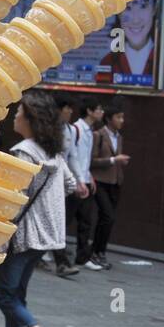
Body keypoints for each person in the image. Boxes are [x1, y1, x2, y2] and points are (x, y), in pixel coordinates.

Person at [0, 92, 74, 327]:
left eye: (19, 112)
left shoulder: (24, 151)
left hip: (25, 233)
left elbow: (14, 198)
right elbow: (70, 184)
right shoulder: (52, 151)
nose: (14, 115)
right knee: (17, 290)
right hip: (48, 234)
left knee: (4, 294)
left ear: (31, 120)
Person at [89, 101, 129, 270]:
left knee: (107, 220)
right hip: (100, 182)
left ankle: (99, 252)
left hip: (115, 182)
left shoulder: (119, 137)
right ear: (109, 119)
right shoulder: (99, 135)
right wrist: (114, 160)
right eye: (119, 117)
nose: (122, 121)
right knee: (108, 216)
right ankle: (96, 252)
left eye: (122, 118)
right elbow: (92, 161)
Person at [47, 92, 81, 276]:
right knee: (54, 221)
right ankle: (61, 262)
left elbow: (72, 156)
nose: (70, 112)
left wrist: (79, 180)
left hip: (61, 182)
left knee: (56, 221)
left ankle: (54, 258)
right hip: (48, 181)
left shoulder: (69, 130)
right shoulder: (47, 129)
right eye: (67, 108)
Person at [98, 0, 157, 83]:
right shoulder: (107, 62)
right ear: (119, 13)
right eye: (128, 8)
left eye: (143, 6)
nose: (135, 20)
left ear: (154, 9)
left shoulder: (163, 62)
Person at [71, 97, 103, 270]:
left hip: (84, 180)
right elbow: (72, 156)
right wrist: (77, 180)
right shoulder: (77, 129)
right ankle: (49, 252)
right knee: (66, 219)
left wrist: (89, 176)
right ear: (89, 111)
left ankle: (82, 257)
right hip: (75, 183)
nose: (101, 112)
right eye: (98, 109)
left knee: (85, 221)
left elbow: (84, 159)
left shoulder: (90, 131)